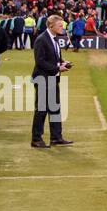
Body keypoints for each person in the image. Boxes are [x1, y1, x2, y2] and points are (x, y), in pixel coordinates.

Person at [31, 15, 74, 148]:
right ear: (51, 26)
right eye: (60, 25)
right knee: (41, 109)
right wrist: (57, 67)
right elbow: (40, 61)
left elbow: (54, 56)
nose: (63, 27)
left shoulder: (53, 38)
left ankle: (56, 137)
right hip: (43, 78)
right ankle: (36, 139)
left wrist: (62, 62)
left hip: (52, 77)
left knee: (55, 108)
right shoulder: (41, 39)